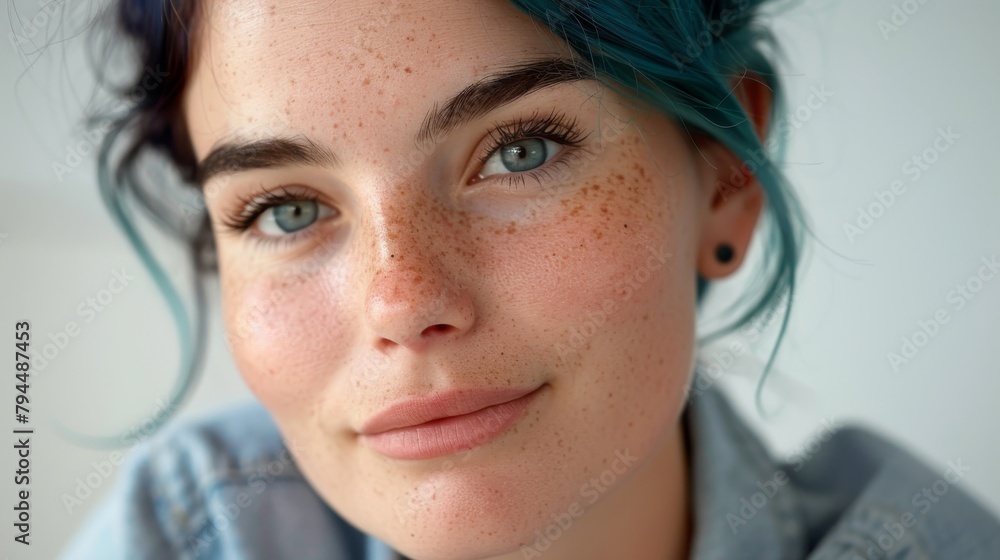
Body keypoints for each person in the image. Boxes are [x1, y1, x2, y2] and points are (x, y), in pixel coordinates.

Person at [60, 0, 1000, 558]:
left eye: (521, 150)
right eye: (288, 210)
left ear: (726, 174)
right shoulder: (194, 528)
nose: (404, 301)